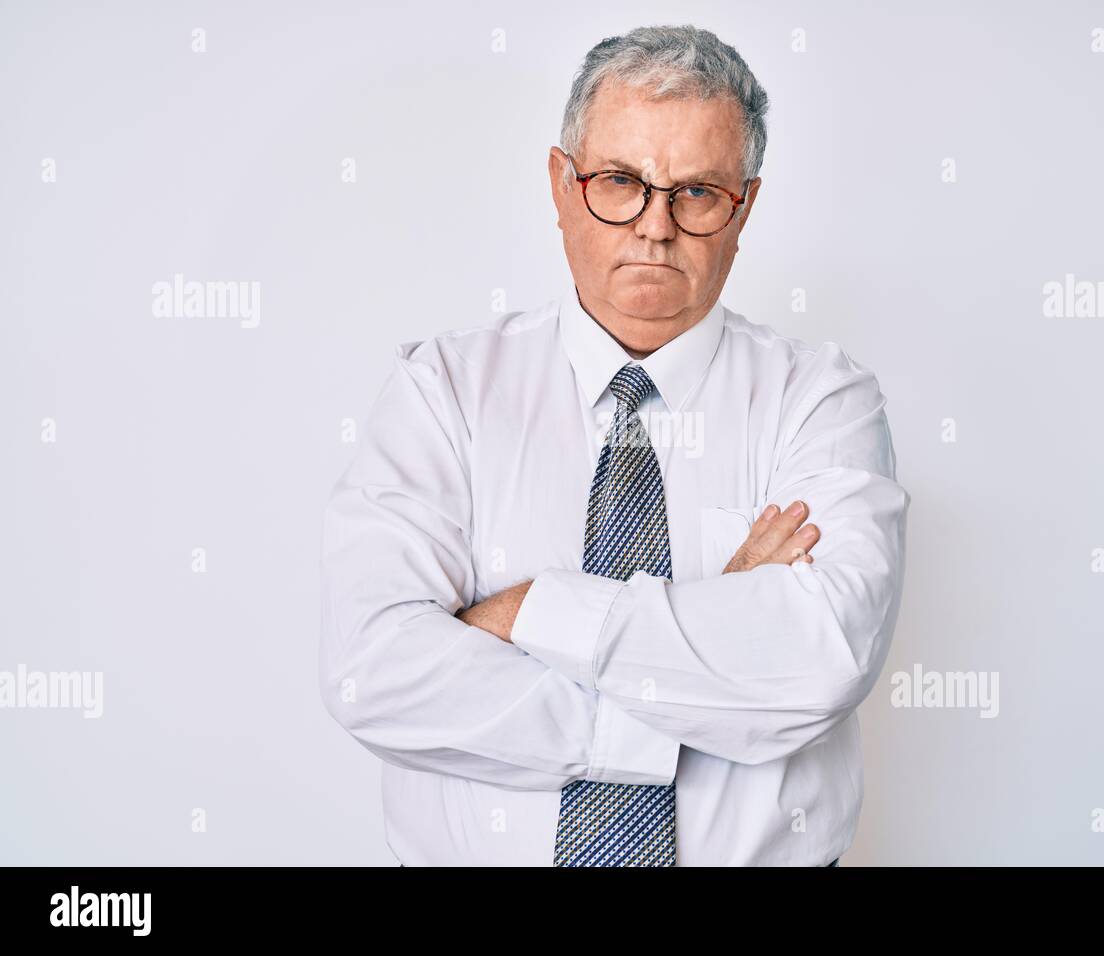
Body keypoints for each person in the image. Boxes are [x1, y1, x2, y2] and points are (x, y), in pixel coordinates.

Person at [319, 24, 909, 867]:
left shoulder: (823, 403)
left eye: (697, 192)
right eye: (622, 182)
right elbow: (373, 672)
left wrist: (529, 612)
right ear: (563, 185)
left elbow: (821, 661)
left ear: (744, 207)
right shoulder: (443, 392)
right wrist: (712, 636)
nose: (655, 227)